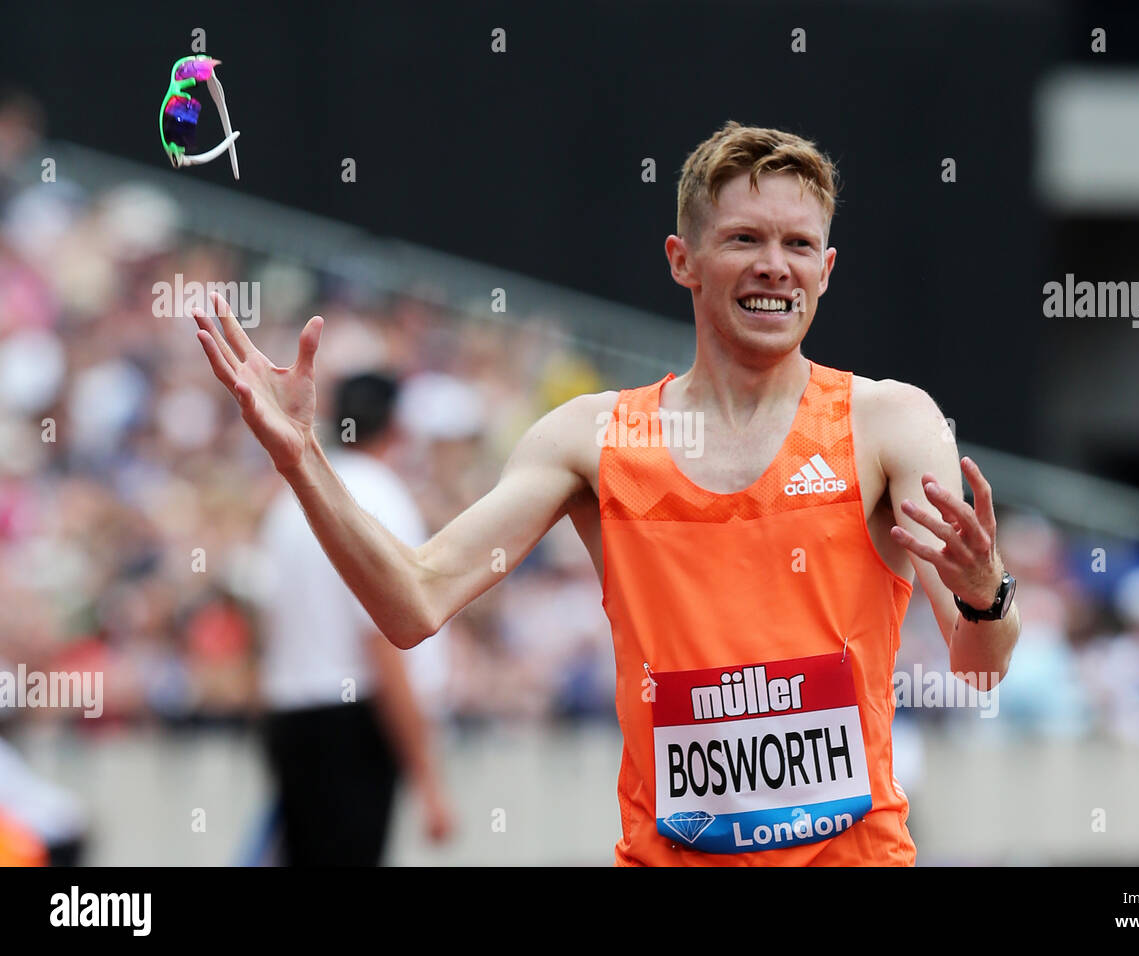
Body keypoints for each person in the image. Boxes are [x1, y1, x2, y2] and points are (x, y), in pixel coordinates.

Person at [193, 121, 1021, 866]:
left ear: (827, 269)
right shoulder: (590, 439)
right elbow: (414, 602)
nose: (775, 264)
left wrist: (986, 595)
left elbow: (980, 670)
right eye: (744, 238)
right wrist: (302, 459)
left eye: (799, 244)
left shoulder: (890, 423)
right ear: (682, 260)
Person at [255, 371, 455, 865]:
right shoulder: (381, 498)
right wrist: (427, 778)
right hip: (354, 726)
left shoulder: (291, 501)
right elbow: (384, 639)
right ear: (397, 427)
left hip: (291, 718)